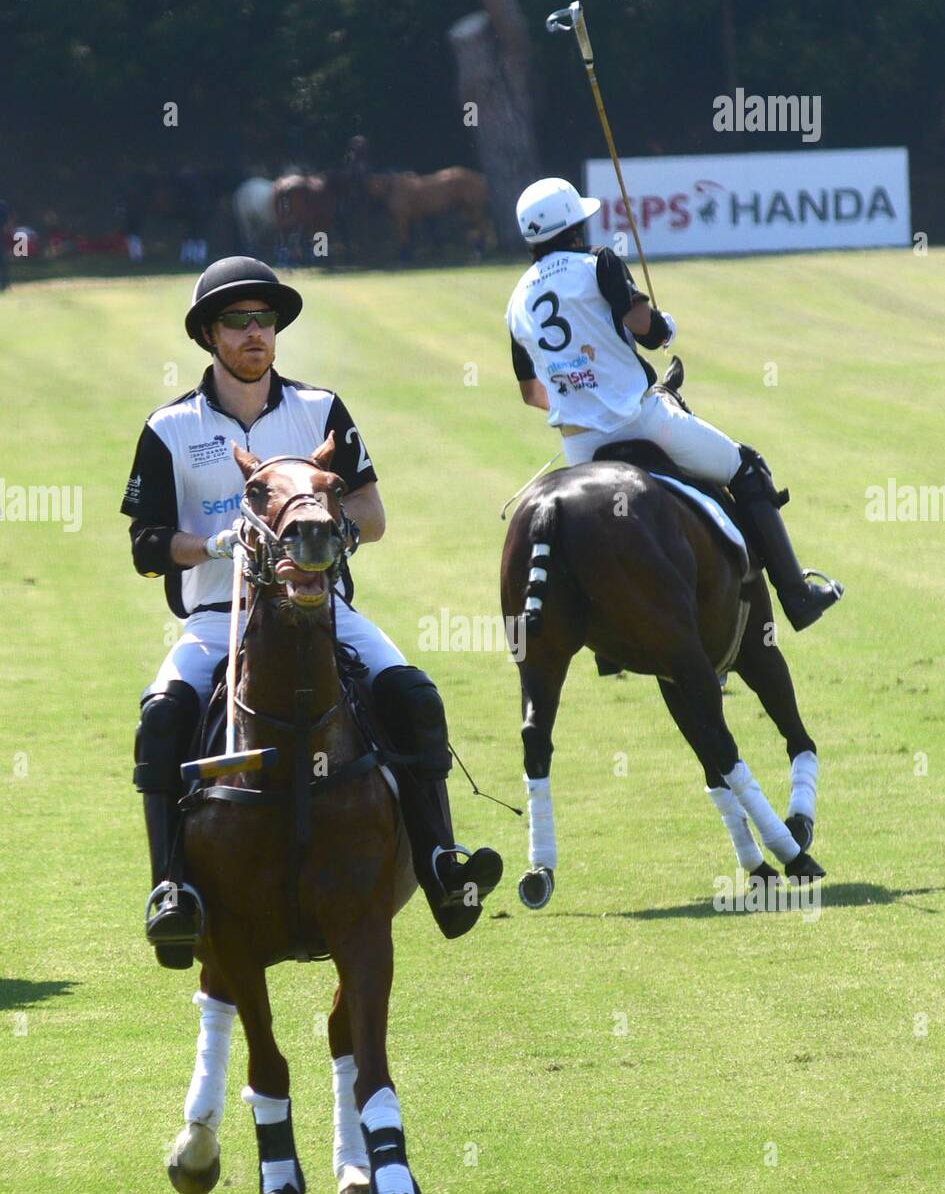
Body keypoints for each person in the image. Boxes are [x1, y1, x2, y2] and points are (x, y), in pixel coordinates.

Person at [122, 256, 502, 962]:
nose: (253, 333)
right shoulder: (169, 427)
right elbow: (146, 545)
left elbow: (371, 510)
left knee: (414, 695)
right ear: (209, 335)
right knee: (162, 719)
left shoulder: (320, 409)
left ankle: (442, 866)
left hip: (321, 607)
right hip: (216, 620)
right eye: (236, 322)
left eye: (263, 320)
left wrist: (331, 536)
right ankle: (170, 890)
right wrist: (214, 540)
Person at [506, 177, 843, 631]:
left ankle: (609, 645)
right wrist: (664, 329)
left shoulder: (516, 301)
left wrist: (579, 396)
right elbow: (646, 329)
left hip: (580, 451)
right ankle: (797, 595)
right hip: (644, 422)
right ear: (574, 229)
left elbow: (531, 392)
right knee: (746, 467)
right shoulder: (598, 262)